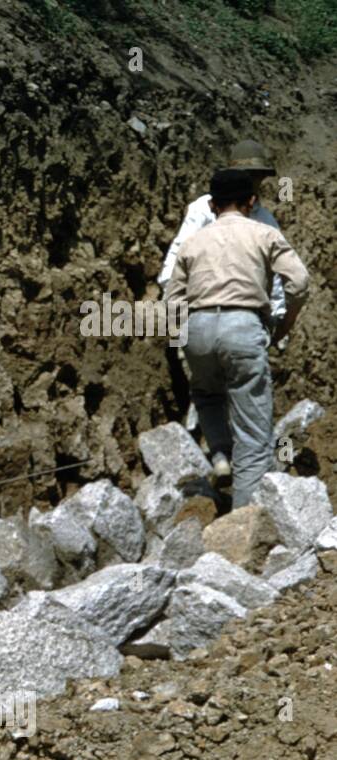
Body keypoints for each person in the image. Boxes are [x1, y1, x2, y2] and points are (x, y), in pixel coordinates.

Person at [165, 169, 308, 509]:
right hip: (243, 326)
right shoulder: (265, 233)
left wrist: (188, 336)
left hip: (198, 327)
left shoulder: (193, 242)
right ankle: (245, 520)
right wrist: (283, 325)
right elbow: (299, 282)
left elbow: (172, 301)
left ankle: (221, 455)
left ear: (212, 205)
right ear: (252, 201)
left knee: (205, 393)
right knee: (255, 434)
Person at [158, 139, 289, 471]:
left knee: (234, 390)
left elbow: (274, 278)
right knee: (207, 388)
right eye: (249, 175)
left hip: (242, 318)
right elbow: (174, 265)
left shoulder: (265, 220)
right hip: (202, 312)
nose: (255, 182)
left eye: (258, 176)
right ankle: (212, 456)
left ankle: (229, 459)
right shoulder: (204, 210)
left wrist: (276, 317)